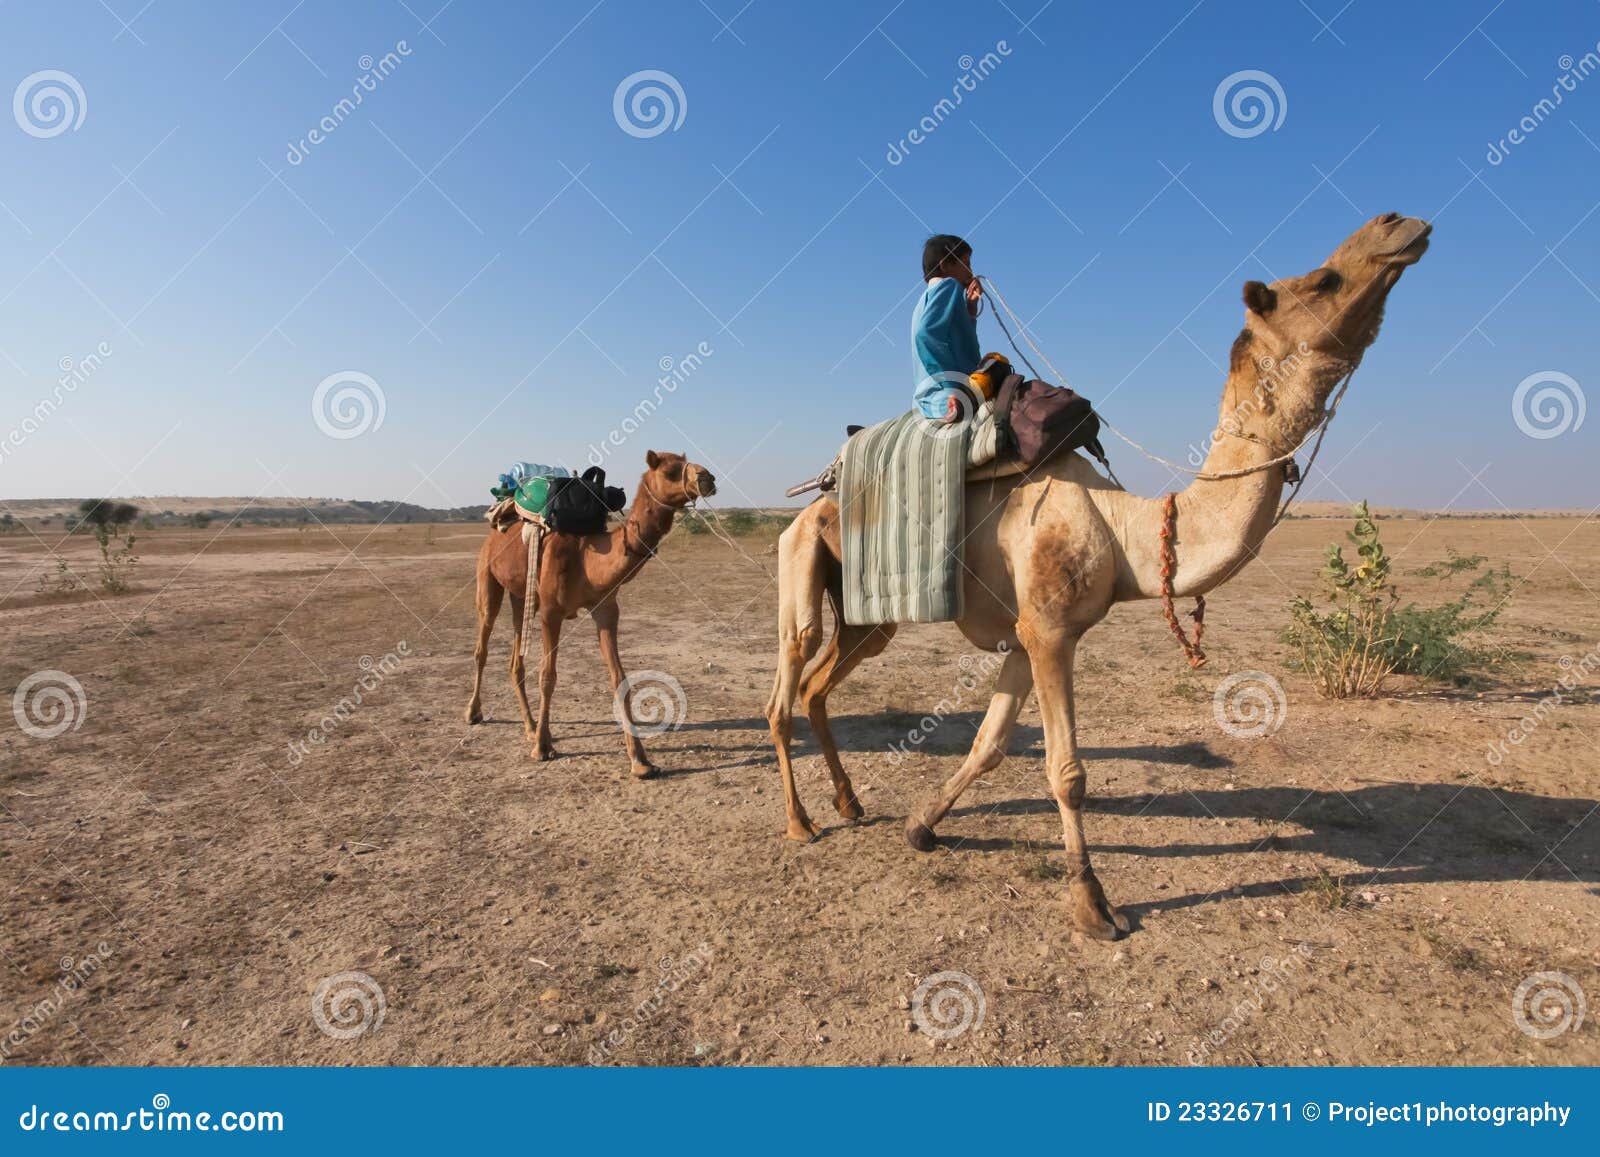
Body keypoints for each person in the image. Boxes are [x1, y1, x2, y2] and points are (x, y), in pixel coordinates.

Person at [911, 234, 983, 422]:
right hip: (948, 393)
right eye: (966, 263)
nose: (970, 271)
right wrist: (953, 386)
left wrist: (970, 309)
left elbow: (957, 340)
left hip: (929, 397)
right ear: (945, 266)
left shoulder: (924, 299)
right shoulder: (949, 285)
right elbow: (926, 336)